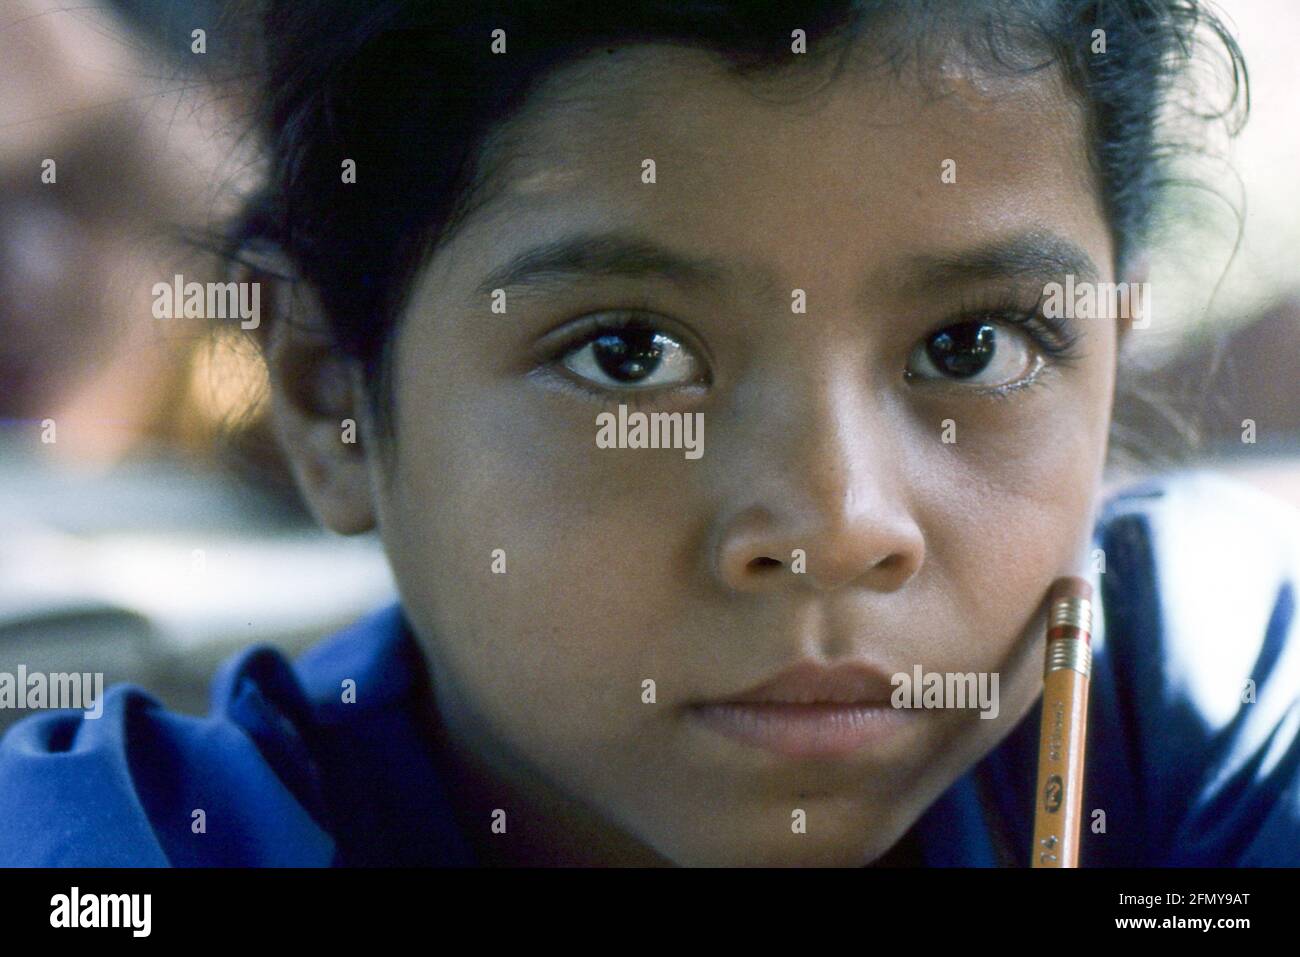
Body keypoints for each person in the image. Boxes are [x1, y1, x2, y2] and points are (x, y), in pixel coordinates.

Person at [2, 0, 1296, 867]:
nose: (839, 523)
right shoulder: (136, 844)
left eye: (976, 346)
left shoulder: (1194, 709)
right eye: (630, 354)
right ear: (330, 395)